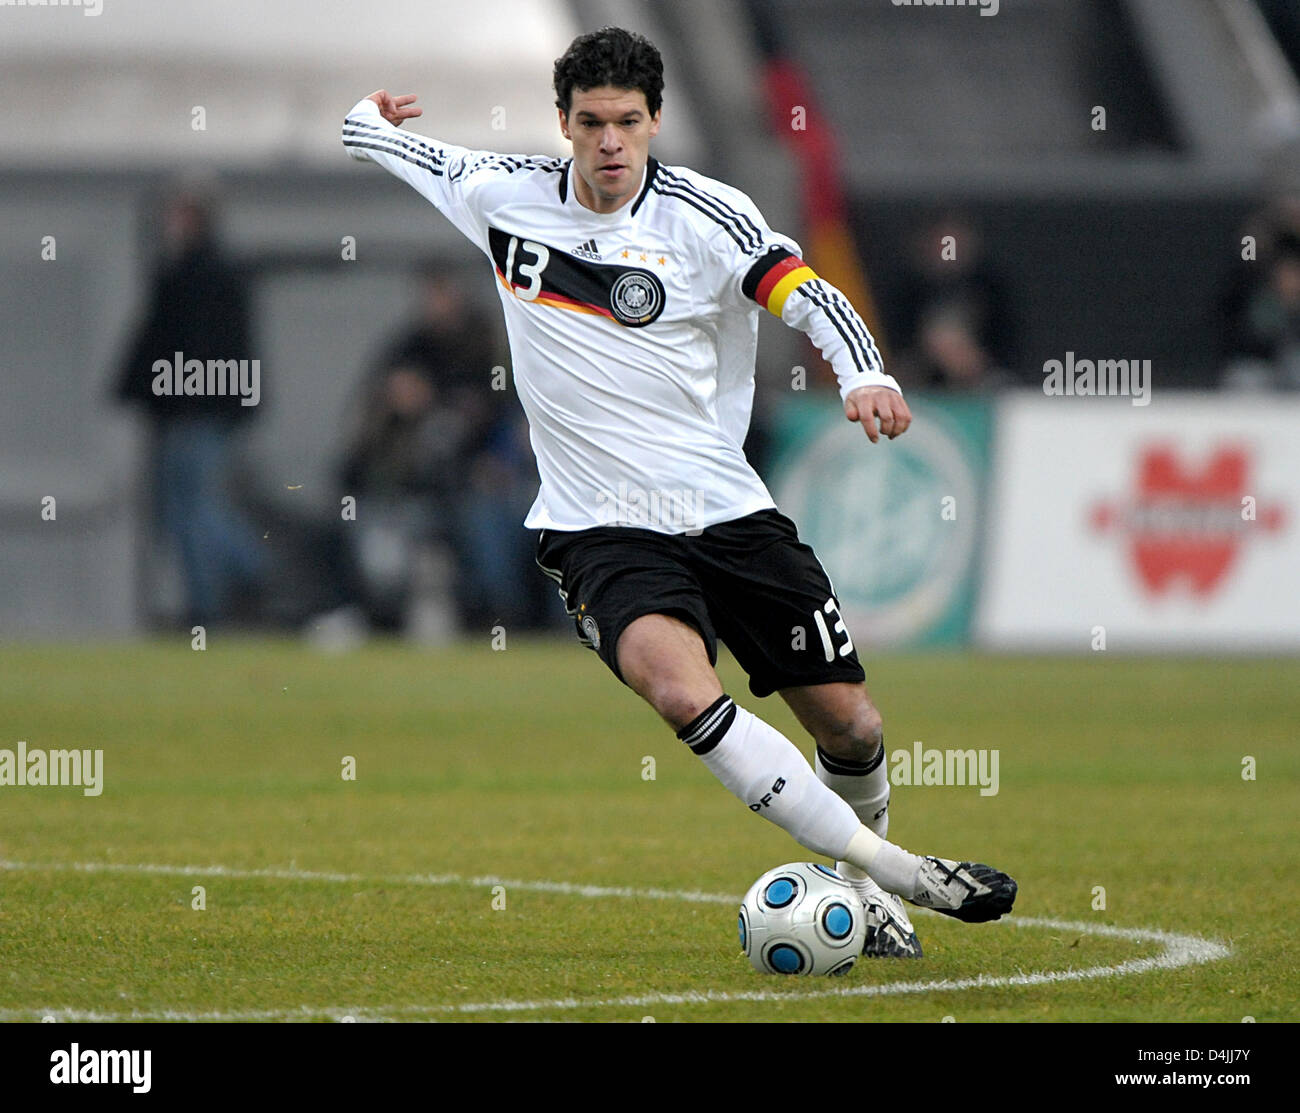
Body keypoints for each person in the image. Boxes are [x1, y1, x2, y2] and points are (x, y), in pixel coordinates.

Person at [342, 26, 1016, 957]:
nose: (609, 141)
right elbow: (394, 144)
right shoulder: (505, 196)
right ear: (564, 125)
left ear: (656, 120)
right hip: (597, 529)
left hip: (725, 511)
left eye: (627, 121)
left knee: (852, 724)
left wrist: (867, 373)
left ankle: (864, 886)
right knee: (678, 689)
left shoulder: (709, 218)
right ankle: (902, 872)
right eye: (590, 123)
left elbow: (808, 292)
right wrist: (366, 119)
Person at [115, 187, 268, 628]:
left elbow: (193, 348)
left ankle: (222, 595)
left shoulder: (202, 275)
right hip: (193, 411)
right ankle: (214, 597)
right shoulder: (198, 273)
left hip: (196, 413)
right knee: (184, 511)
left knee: (194, 510)